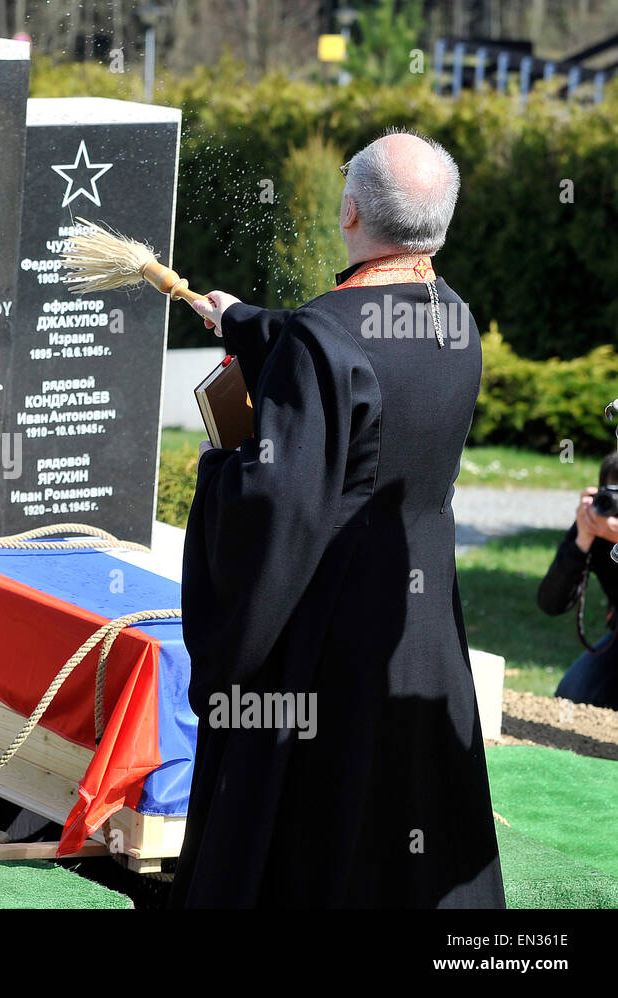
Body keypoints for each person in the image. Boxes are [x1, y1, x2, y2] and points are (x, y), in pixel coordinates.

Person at [169, 130, 505, 907]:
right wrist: (244, 320)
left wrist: (218, 472)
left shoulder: (325, 335)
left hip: (330, 643)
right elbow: (363, 361)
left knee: (318, 841)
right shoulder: (453, 318)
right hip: (421, 634)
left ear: (350, 210)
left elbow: (276, 508)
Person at [537, 453, 618, 708]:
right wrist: (582, 540)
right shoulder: (597, 523)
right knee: (572, 696)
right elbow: (551, 603)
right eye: (613, 493)